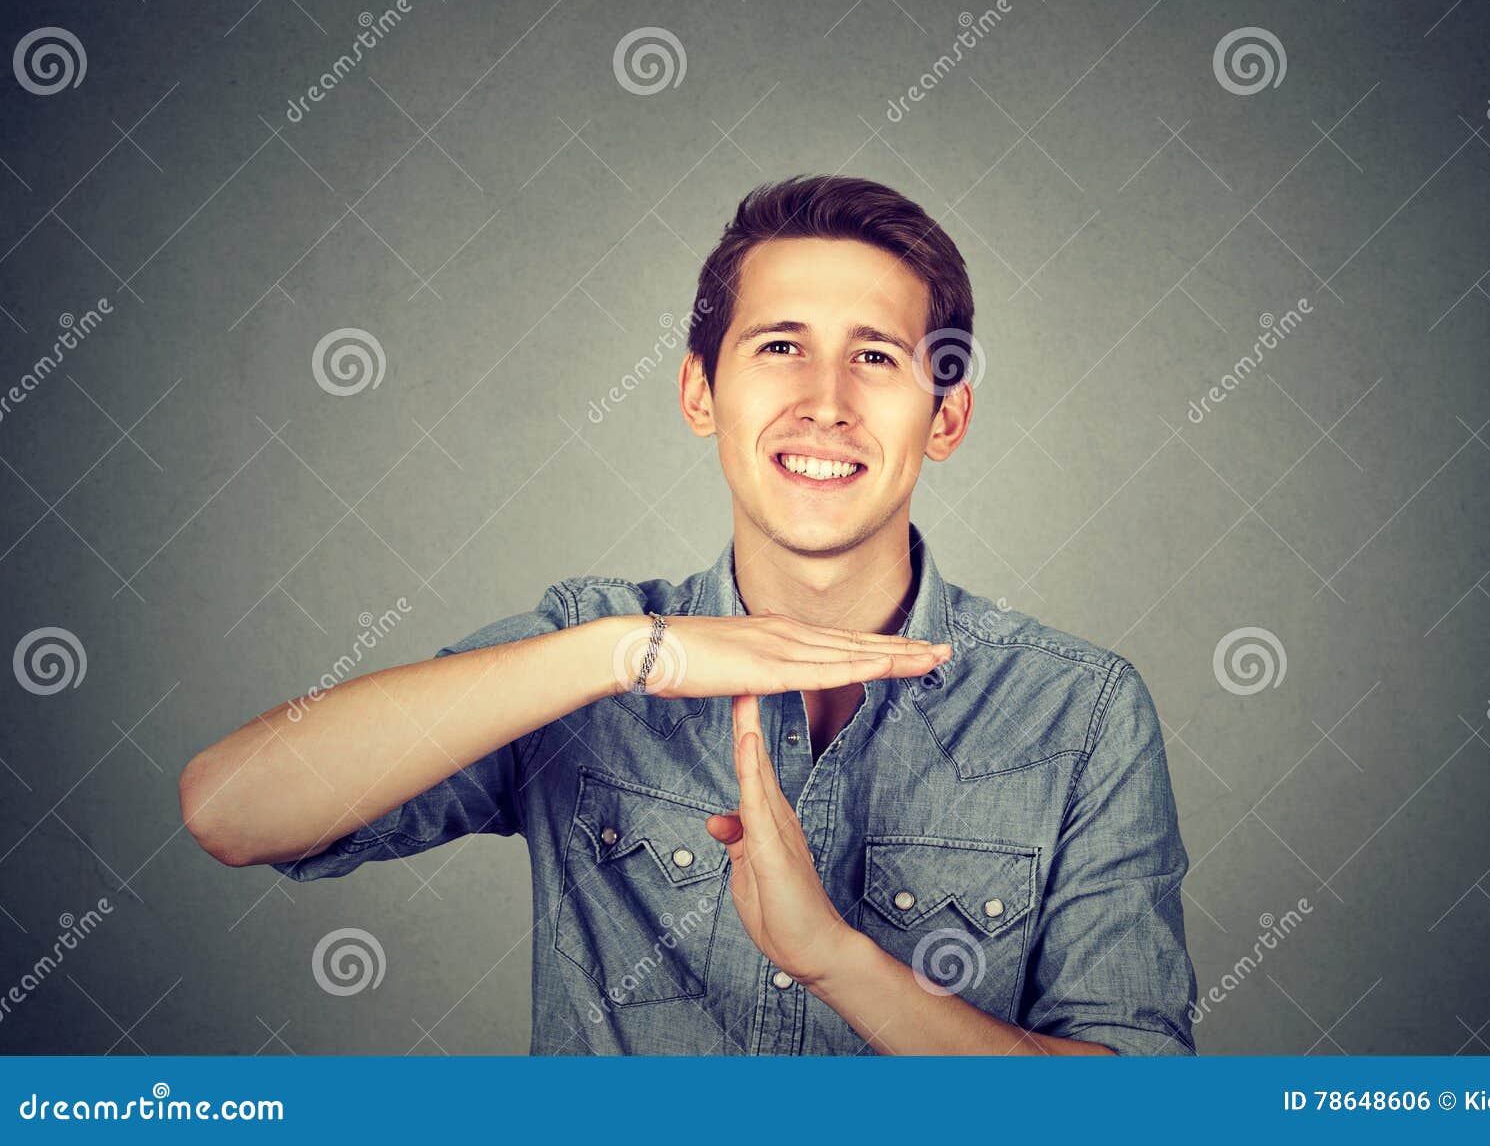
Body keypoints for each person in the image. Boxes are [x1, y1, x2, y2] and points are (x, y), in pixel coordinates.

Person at [179, 175, 1197, 1056]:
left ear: (946, 417)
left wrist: (837, 960)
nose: (825, 401)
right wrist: (628, 654)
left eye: (876, 357)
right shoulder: (588, 649)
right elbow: (230, 809)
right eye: (781, 346)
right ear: (699, 391)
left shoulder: (1080, 711)